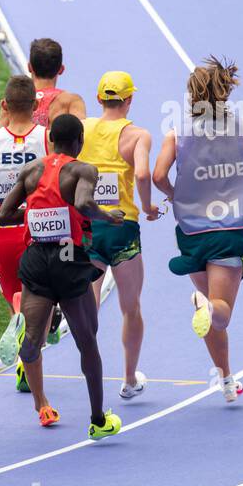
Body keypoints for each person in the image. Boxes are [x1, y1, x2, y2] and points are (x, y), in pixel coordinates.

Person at [152, 56, 243, 403]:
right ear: (224, 93)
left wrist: (178, 195)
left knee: (209, 310)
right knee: (219, 312)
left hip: (192, 232)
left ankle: (225, 377)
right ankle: (212, 328)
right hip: (230, 229)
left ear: (191, 95)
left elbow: (159, 176)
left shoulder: (177, 133)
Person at [0, 113, 124, 440]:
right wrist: (108, 216)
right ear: (80, 142)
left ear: (51, 141)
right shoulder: (82, 169)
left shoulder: (31, 170)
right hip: (68, 259)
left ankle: (25, 331)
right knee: (87, 340)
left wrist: (35, 214)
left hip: (37, 259)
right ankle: (97, 420)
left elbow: (7, 214)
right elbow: (82, 201)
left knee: (33, 344)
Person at [0, 75, 58, 392]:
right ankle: (31, 352)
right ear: (36, 105)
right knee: (41, 309)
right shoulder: (48, 139)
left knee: (18, 307)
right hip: (40, 229)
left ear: (4, 105)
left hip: (3, 230)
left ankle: (23, 362)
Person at [82, 71, 161, 401]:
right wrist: (147, 206)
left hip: (88, 224)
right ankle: (129, 379)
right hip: (122, 226)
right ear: (129, 100)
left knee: (88, 307)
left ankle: (89, 372)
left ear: (99, 99)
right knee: (130, 307)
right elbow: (142, 173)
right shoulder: (138, 135)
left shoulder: (82, 127)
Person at [29, 38, 87, 126]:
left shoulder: (13, 101)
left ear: (29, 67)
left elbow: (1, 136)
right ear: (61, 69)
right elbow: (82, 134)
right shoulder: (70, 102)